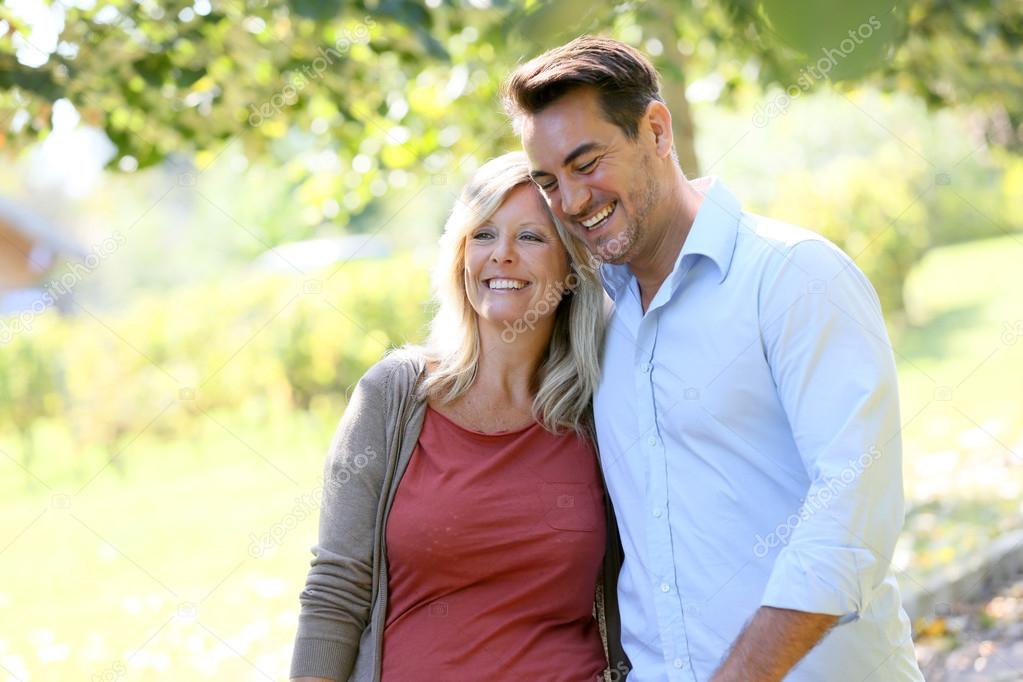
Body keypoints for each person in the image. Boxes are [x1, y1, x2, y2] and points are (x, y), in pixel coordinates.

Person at [504, 36, 924, 681]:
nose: (572, 201)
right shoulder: (590, 319)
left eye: (587, 163)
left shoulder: (791, 276)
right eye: (548, 181)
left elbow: (852, 515)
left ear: (656, 129)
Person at [289, 151, 629, 682]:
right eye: (484, 234)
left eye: (532, 238)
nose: (503, 256)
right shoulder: (395, 395)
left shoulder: (599, 410)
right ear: (460, 256)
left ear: (570, 268)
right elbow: (337, 588)